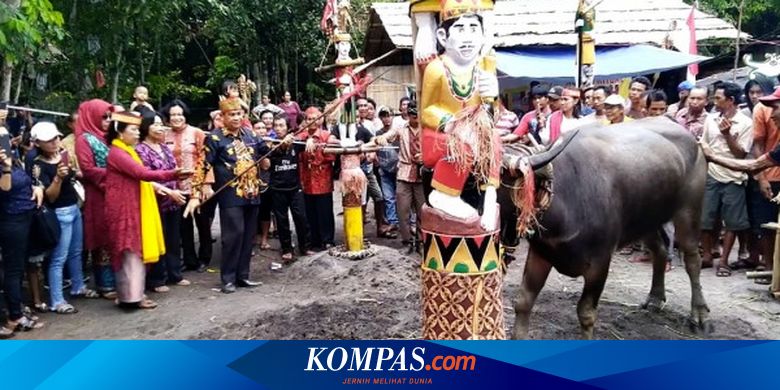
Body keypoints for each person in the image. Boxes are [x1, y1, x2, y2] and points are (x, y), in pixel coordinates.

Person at [185, 98, 270, 294]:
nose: (237, 117)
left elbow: (266, 152)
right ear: (222, 117)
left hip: (252, 193)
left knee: (248, 235)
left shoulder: (250, 134)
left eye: (239, 113)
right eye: (232, 114)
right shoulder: (215, 139)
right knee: (234, 235)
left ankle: (243, 276)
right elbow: (203, 165)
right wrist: (196, 193)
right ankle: (228, 278)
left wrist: (284, 143)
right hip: (230, 195)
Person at [105, 111, 188, 309]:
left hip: (131, 204)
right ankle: (132, 297)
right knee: (130, 249)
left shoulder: (126, 150)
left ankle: (131, 294)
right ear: (119, 133)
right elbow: (141, 173)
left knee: (133, 249)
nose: (137, 133)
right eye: (133, 129)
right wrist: (172, 174)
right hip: (125, 208)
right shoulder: (118, 153)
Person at [30, 122, 99, 315]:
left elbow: (74, 179)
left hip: (74, 208)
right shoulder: (37, 165)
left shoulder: (63, 156)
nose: (55, 142)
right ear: (37, 143)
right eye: (49, 140)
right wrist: (58, 178)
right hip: (58, 213)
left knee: (76, 252)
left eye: (56, 138)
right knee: (58, 258)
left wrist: (74, 172)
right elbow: (50, 197)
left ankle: (78, 286)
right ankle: (57, 300)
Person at [699, 82, 754, 278]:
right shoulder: (711, 119)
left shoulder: (746, 123)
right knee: (706, 219)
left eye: (718, 98)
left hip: (734, 176)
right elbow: (704, 142)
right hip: (712, 174)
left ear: (730, 101)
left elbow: (741, 154)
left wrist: (727, 135)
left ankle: (723, 261)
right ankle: (706, 256)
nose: (715, 101)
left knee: (732, 222)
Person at [135, 110, 191, 293]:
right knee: (158, 238)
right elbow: (145, 179)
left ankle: (175, 274)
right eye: (156, 124)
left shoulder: (165, 147)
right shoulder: (140, 150)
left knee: (174, 238)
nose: (160, 128)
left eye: (161, 124)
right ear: (145, 127)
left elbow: (172, 170)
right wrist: (168, 191)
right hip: (155, 201)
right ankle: (157, 279)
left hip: (173, 199)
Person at [0, 118, 45, 334]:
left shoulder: (13, 156)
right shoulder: (4, 163)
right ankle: (14, 316)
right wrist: (6, 168)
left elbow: (26, 180)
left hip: (24, 216)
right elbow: (5, 189)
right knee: (13, 269)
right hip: (10, 219)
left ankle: (16, 308)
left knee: (17, 269)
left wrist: (36, 188)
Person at [160, 100, 213, 273]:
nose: (176, 118)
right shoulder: (163, 135)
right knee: (183, 225)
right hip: (175, 186)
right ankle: (190, 260)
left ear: (185, 115)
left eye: (179, 114)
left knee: (202, 222)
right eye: (173, 115)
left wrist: (206, 184)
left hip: (196, 184)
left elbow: (206, 159)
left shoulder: (197, 133)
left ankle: (205, 258)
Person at [74, 99, 117, 299]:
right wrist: (116, 173)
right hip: (98, 194)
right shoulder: (85, 139)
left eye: (110, 117)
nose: (108, 121)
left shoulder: (110, 137)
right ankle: (105, 284)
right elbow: (88, 169)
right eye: (104, 117)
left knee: (116, 236)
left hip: (116, 193)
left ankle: (119, 280)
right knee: (103, 237)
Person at [373, 102, 424, 253]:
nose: (415, 118)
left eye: (417, 115)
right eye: (412, 115)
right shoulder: (401, 128)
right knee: (402, 210)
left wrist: (426, 157)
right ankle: (407, 241)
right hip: (404, 173)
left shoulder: (427, 129)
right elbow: (387, 136)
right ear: (408, 115)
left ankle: (420, 242)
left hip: (421, 174)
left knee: (422, 211)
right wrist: (380, 139)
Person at [268, 117, 313, 265]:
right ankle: (286, 248)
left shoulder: (295, 142)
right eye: (276, 125)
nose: (278, 128)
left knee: (301, 217)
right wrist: (282, 144)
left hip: (295, 188)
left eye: (281, 125)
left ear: (287, 128)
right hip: (277, 188)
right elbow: (273, 154)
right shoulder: (269, 143)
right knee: (282, 221)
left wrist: (310, 140)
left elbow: (307, 138)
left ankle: (305, 247)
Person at [297, 106, 338, 250]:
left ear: (320, 120)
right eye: (309, 119)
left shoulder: (327, 135)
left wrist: (317, 146)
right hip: (307, 179)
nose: (312, 122)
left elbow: (332, 155)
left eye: (315, 119)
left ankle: (327, 239)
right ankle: (314, 240)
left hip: (323, 178)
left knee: (325, 210)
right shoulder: (300, 136)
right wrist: (306, 140)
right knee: (310, 212)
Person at [375, 107, 400, 233]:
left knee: (402, 197)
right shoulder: (378, 133)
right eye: (384, 116)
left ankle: (409, 222)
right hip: (384, 169)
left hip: (399, 168)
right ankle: (392, 222)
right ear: (380, 118)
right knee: (388, 197)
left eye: (389, 115)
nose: (387, 118)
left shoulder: (398, 132)